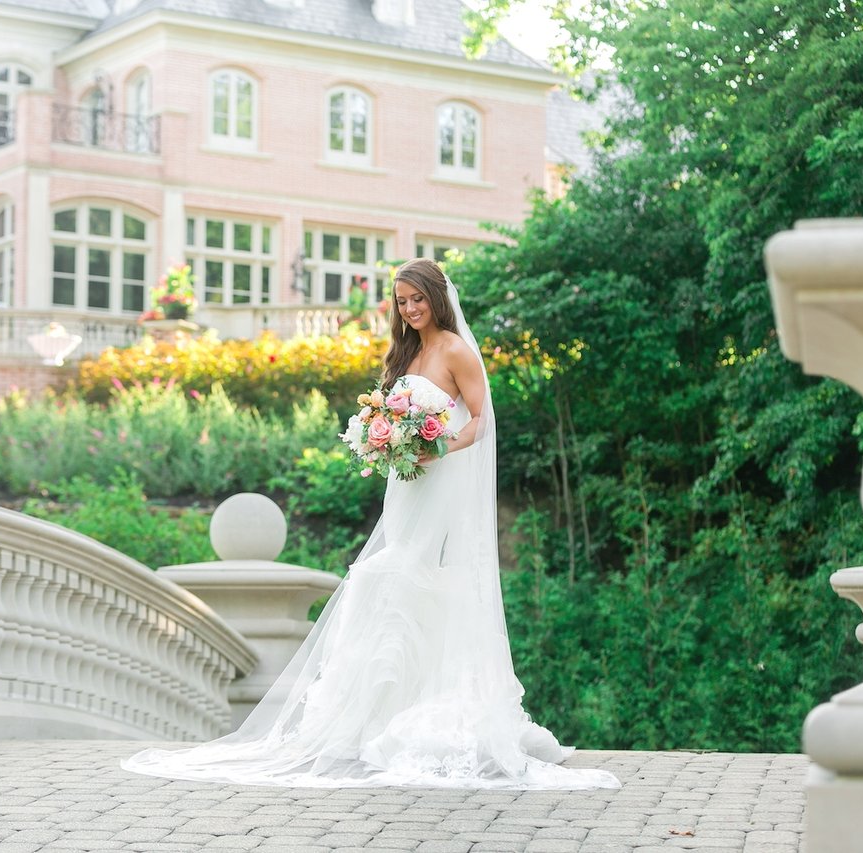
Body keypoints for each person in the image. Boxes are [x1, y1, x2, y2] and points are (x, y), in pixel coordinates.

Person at [122, 258, 620, 790]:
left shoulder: (455, 349)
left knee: (407, 571)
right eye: (402, 302)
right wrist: (382, 438)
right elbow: (397, 412)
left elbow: (481, 421)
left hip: (441, 479)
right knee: (394, 570)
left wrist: (438, 448)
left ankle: (432, 708)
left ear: (436, 297)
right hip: (406, 482)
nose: (410, 309)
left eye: (417, 299)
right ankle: (376, 714)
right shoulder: (405, 351)